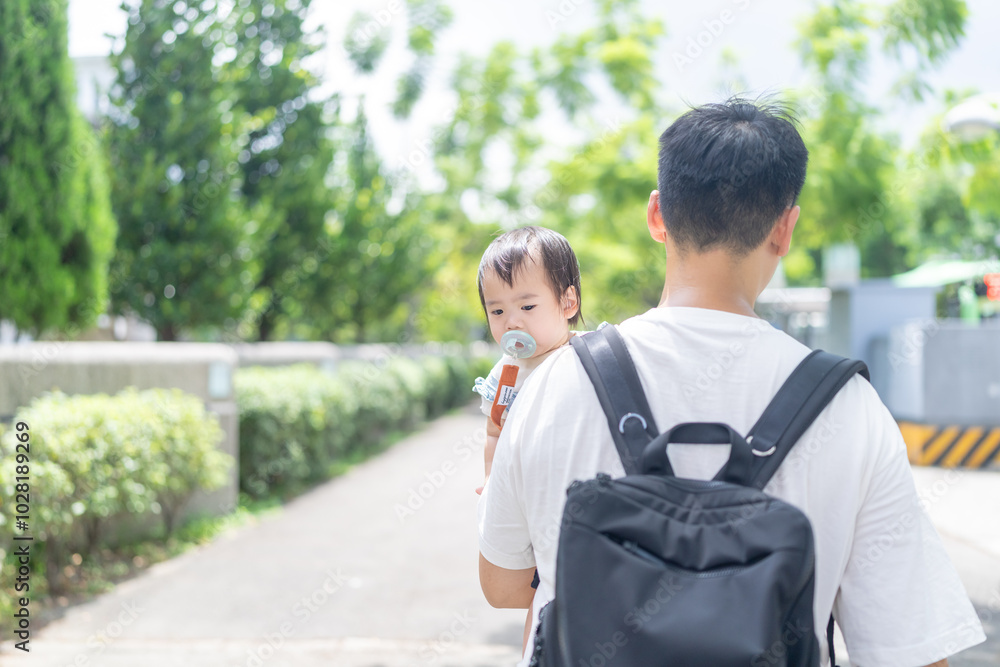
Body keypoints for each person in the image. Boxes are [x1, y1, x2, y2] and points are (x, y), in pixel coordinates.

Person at [477, 98, 985, 667]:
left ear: (657, 215)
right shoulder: (850, 408)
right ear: (785, 229)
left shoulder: (550, 383)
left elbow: (503, 584)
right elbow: (909, 650)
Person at [471, 225, 584, 653]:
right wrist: (490, 479)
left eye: (527, 306)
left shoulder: (585, 357)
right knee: (538, 598)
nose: (512, 321)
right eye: (497, 311)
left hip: (573, 500)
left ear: (568, 302)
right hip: (526, 503)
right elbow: (494, 429)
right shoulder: (507, 372)